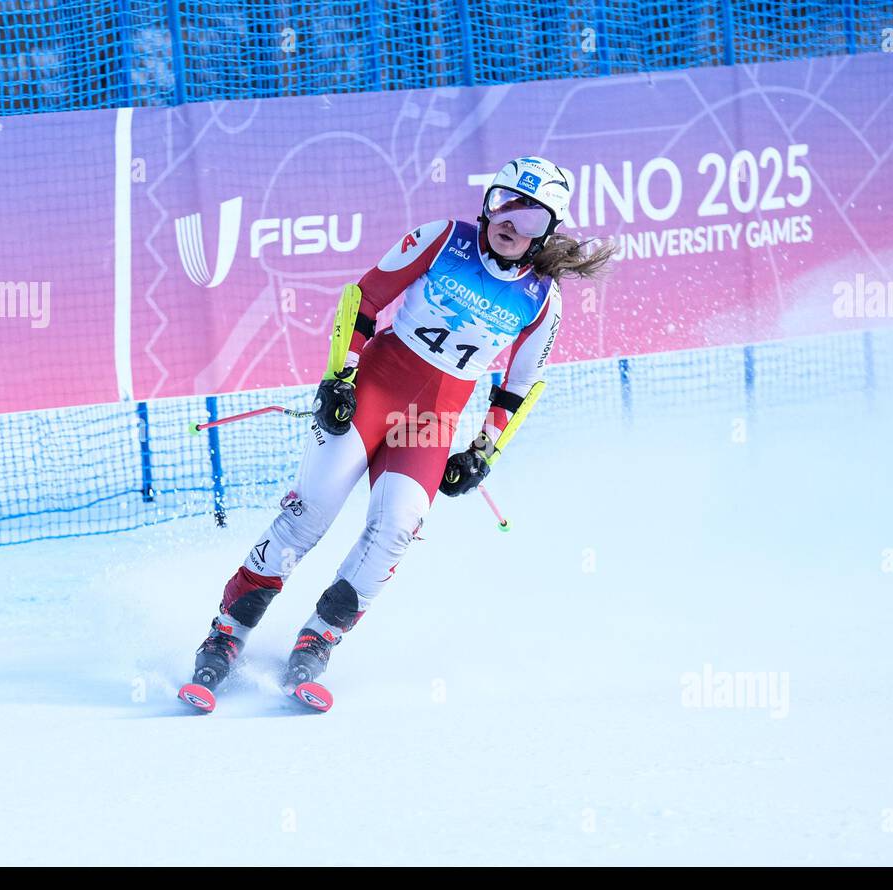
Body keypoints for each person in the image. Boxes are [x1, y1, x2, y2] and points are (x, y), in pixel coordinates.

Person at [189, 156, 615, 697]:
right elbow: (363, 299)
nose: (511, 222)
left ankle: (317, 641)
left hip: (432, 420)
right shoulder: (442, 239)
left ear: (547, 232)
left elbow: (518, 387)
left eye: (531, 218)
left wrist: (484, 451)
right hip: (373, 390)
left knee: (395, 529)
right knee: (308, 517)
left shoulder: (542, 300)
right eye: (504, 203)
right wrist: (338, 378)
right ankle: (226, 635)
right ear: (486, 205)